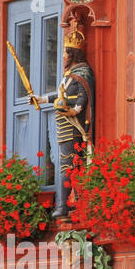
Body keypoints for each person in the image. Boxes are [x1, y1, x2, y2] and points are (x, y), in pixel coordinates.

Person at [52, 22, 94, 219]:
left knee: (68, 165)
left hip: (73, 125)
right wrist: (41, 99)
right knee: (70, 164)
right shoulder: (67, 76)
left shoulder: (82, 72)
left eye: (65, 53)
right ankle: (70, 202)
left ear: (73, 54)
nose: (63, 57)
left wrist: (74, 110)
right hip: (63, 125)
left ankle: (62, 205)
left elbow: (83, 95)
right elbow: (58, 96)